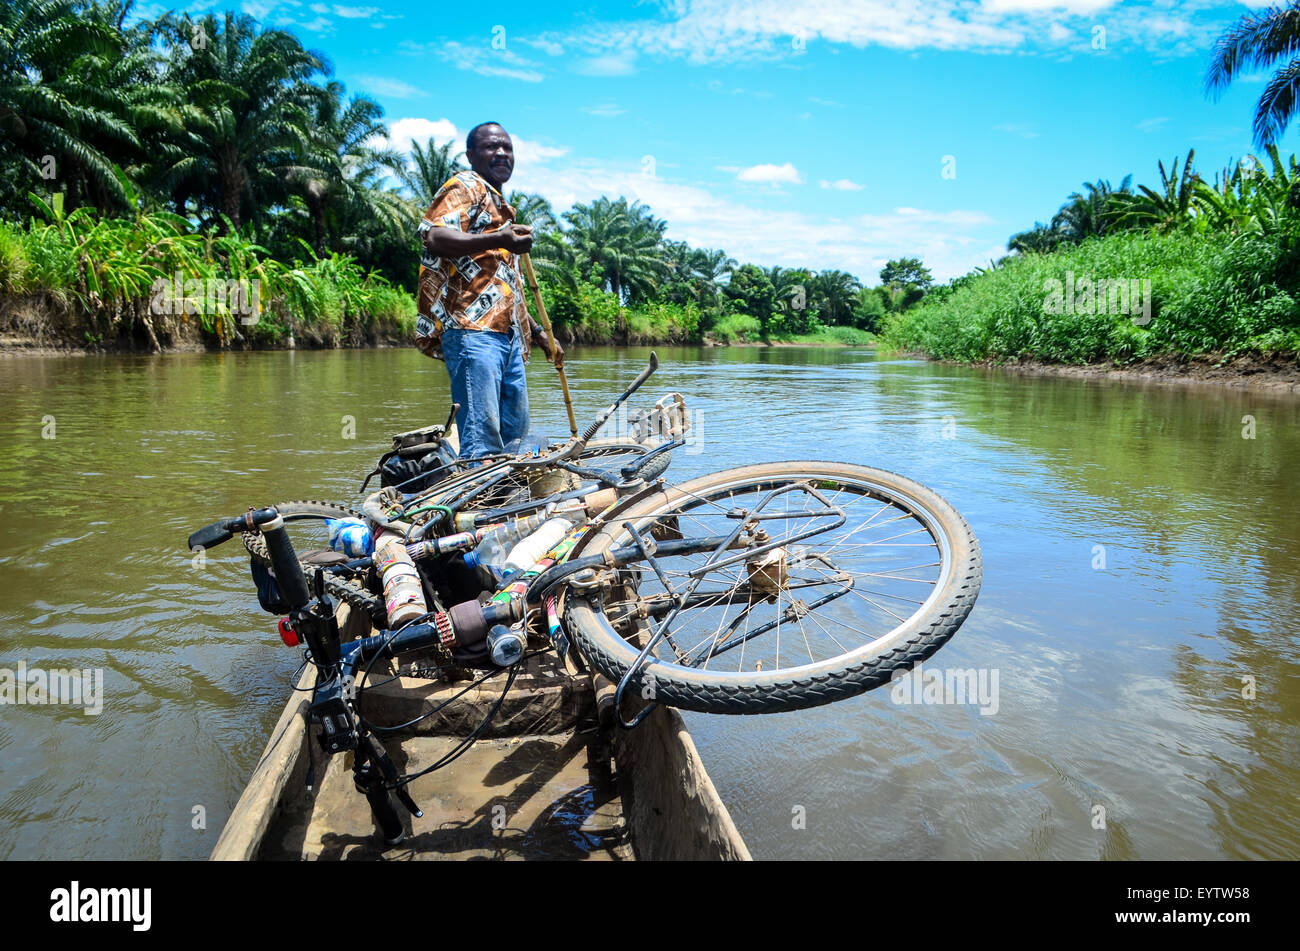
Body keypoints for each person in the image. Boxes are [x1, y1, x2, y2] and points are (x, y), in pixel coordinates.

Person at [414, 121, 563, 459]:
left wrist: (539, 335)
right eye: (491, 147)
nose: (501, 153)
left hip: (507, 335)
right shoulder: (464, 186)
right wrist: (499, 238)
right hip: (472, 331)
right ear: (471, 155)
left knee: (515, 436)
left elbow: (504, 282)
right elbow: (434, 237)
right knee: (482, 438)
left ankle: (508, 503)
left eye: (507, 148)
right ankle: (480, 508)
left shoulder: (499, 204)